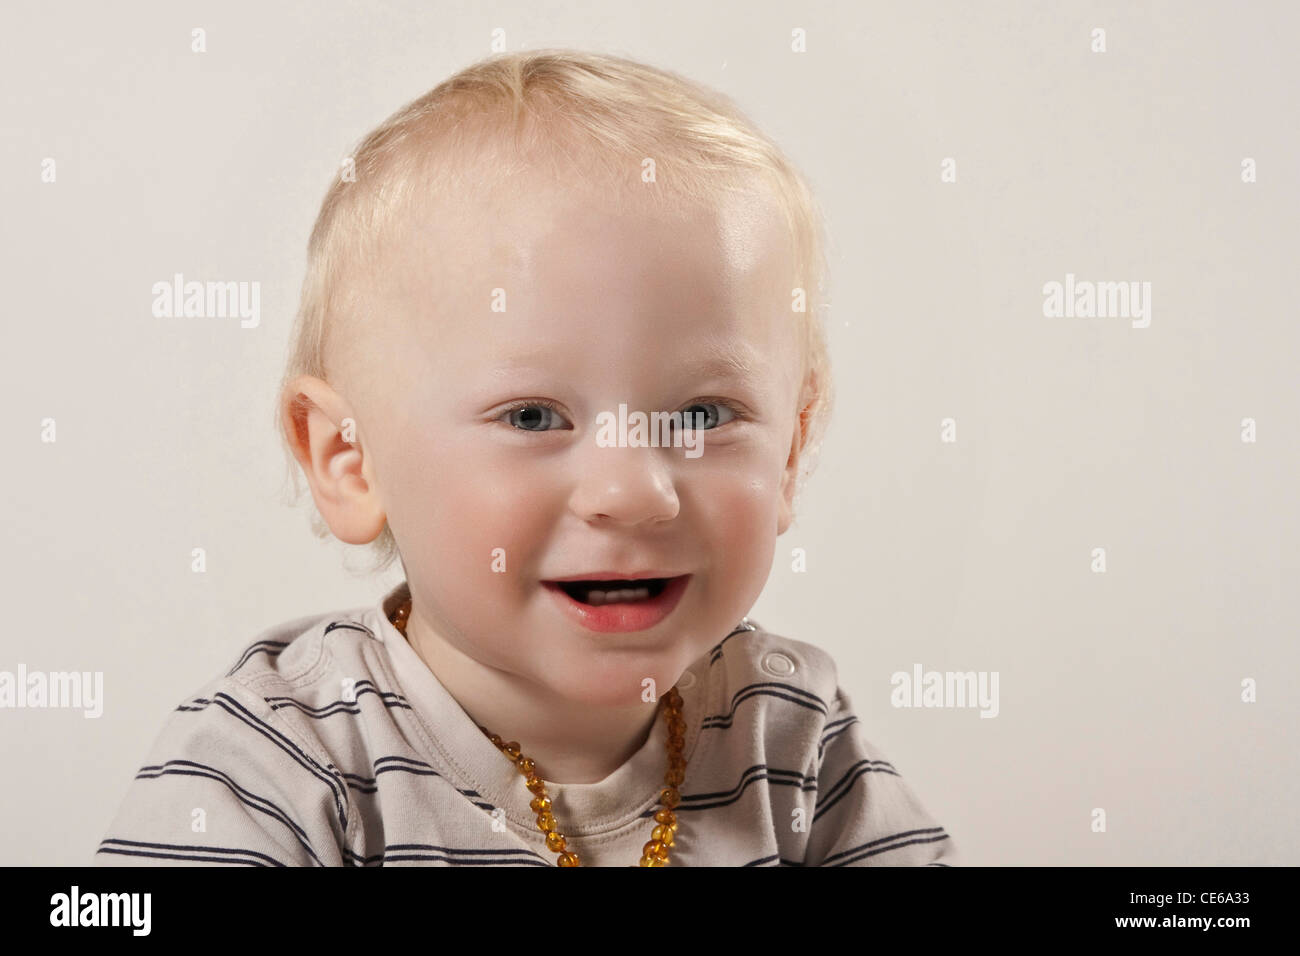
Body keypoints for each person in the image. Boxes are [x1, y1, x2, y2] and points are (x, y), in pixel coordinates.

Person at [94, 49, 959, 867]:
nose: (632, 492)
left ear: (791, 453)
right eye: (535, 415)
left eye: (702, 414)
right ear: (350, 459)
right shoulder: (280, 759)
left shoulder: (788, 731)